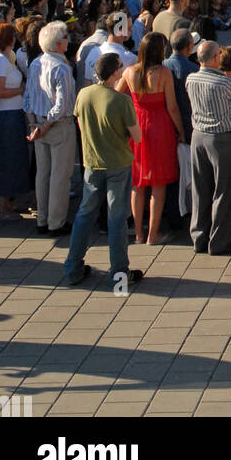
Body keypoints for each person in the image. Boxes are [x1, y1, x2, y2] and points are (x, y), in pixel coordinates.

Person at [64, 52, 143, 288]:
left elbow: (81, 124)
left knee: (84, 214)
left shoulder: (84, 94)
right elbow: (137, 136)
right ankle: (119, 273)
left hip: (91, 162)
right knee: (116, 218)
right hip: (117, 163)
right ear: (114, 72)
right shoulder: (121, 101)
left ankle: (72, 267)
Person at [117, 32, 184, 245]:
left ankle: (138, 233)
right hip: (160, 127)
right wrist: (181, 130)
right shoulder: (163, 73)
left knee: (138, 182)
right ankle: (153, 234)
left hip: (137, 126)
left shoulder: (129, 72)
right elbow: (172, 107)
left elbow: (117, 96)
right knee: (159, 183)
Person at [185, 37, 231, 256]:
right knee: (225, 191)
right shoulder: (224, 83)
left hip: (198, 136)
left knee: (201, 189)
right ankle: (218, 241)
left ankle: (199, 237)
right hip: (222, 139)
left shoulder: (191, 79)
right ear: (216, 57)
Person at [22, 21, 76, 235]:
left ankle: (42, 219)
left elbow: (27, 97)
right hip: (58, 125)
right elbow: (62, 104)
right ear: (57, 44)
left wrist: (35, 123)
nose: (68, 41)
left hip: (39, 123)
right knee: (60, 175)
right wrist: (44, 125)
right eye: (65, 38)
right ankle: (56, 222)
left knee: (43, 174)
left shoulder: (35, 63)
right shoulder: (62, 68)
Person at [0, 22, 31, 219]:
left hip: (8, 114)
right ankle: (2, 206)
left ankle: (6, 203)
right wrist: (21, 90)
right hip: (6, 116)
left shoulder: (1, 58)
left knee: (9, 159)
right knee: (6, 159)